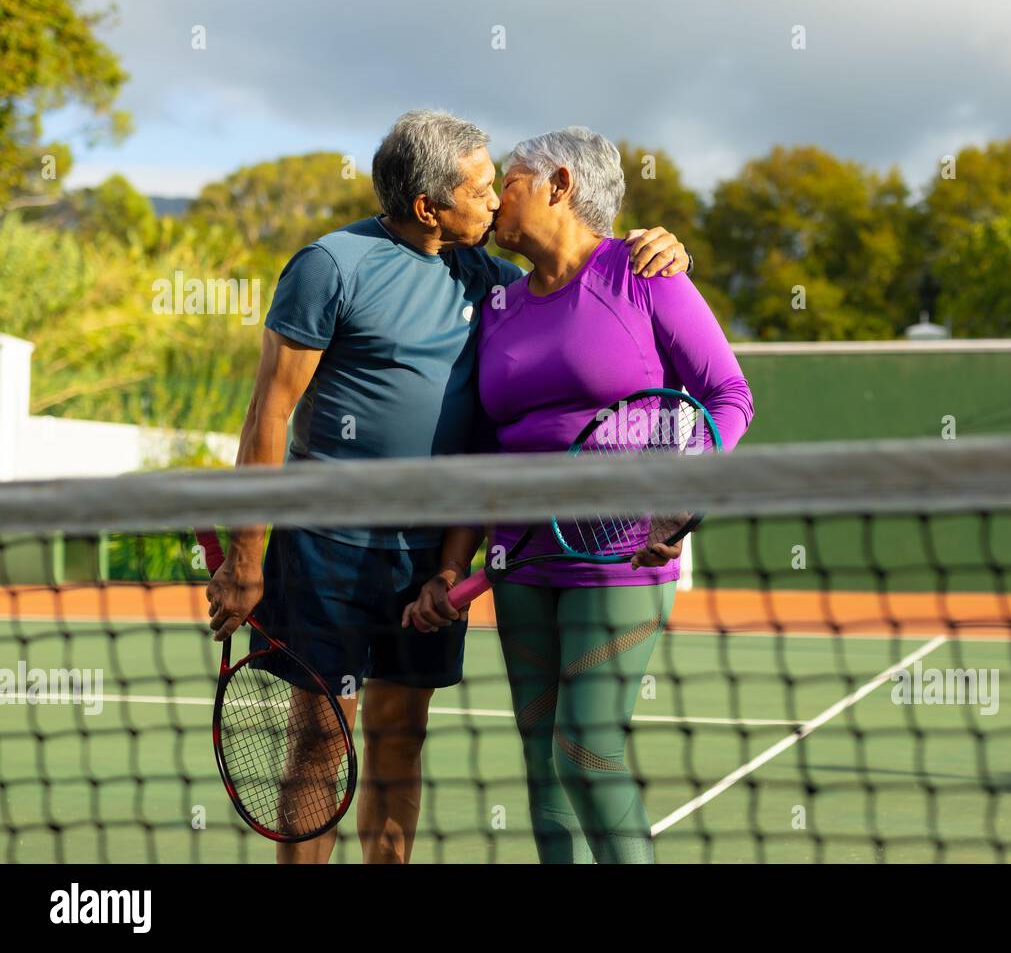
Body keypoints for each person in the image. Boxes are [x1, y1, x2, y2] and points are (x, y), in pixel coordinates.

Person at [204, 110, 690, 864]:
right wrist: (246, 557)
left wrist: (656, 247)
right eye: (481, 188)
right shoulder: (331, 265)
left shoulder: (492, 279)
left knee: (401, 739)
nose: (497, 201)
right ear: (428, 207)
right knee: (317, 747)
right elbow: (270, 411)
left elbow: (577, 267)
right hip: (327, 545)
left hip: (428, 555)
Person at [403, 126, 752, 863]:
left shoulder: (645, 271)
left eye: (514, 181)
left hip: (620, 556)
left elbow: (727, 395)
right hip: (519, 563)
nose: (497, 196)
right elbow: (486, 451)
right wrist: (447, 566)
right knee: (542, 769)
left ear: (560, 185)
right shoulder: (498, 300)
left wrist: (680, 496)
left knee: (586, 755)